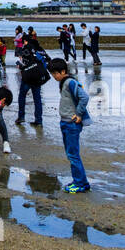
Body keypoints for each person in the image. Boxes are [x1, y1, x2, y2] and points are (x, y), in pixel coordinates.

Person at [48, 58, 91, 193]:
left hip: (72, 124)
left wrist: (78, 114)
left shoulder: (70, 82)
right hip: (65, 122)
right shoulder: (63, 83)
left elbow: (84, 97)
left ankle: (81, 183)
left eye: (56, 73)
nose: (54, 76)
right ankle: (79, 180)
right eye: (52, 74)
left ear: (63, 71)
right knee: (70, 154)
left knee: (73, 155)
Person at [14, 37, 48, 126]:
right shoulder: (39, 49)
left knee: (22, 96)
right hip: (38, 76)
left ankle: (21, 117)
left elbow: (24, 63)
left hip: (28, 77)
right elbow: (46, 60)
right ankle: (39, 120)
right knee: (37, 98)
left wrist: (20, 66)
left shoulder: (26, 48)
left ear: (26, 41)